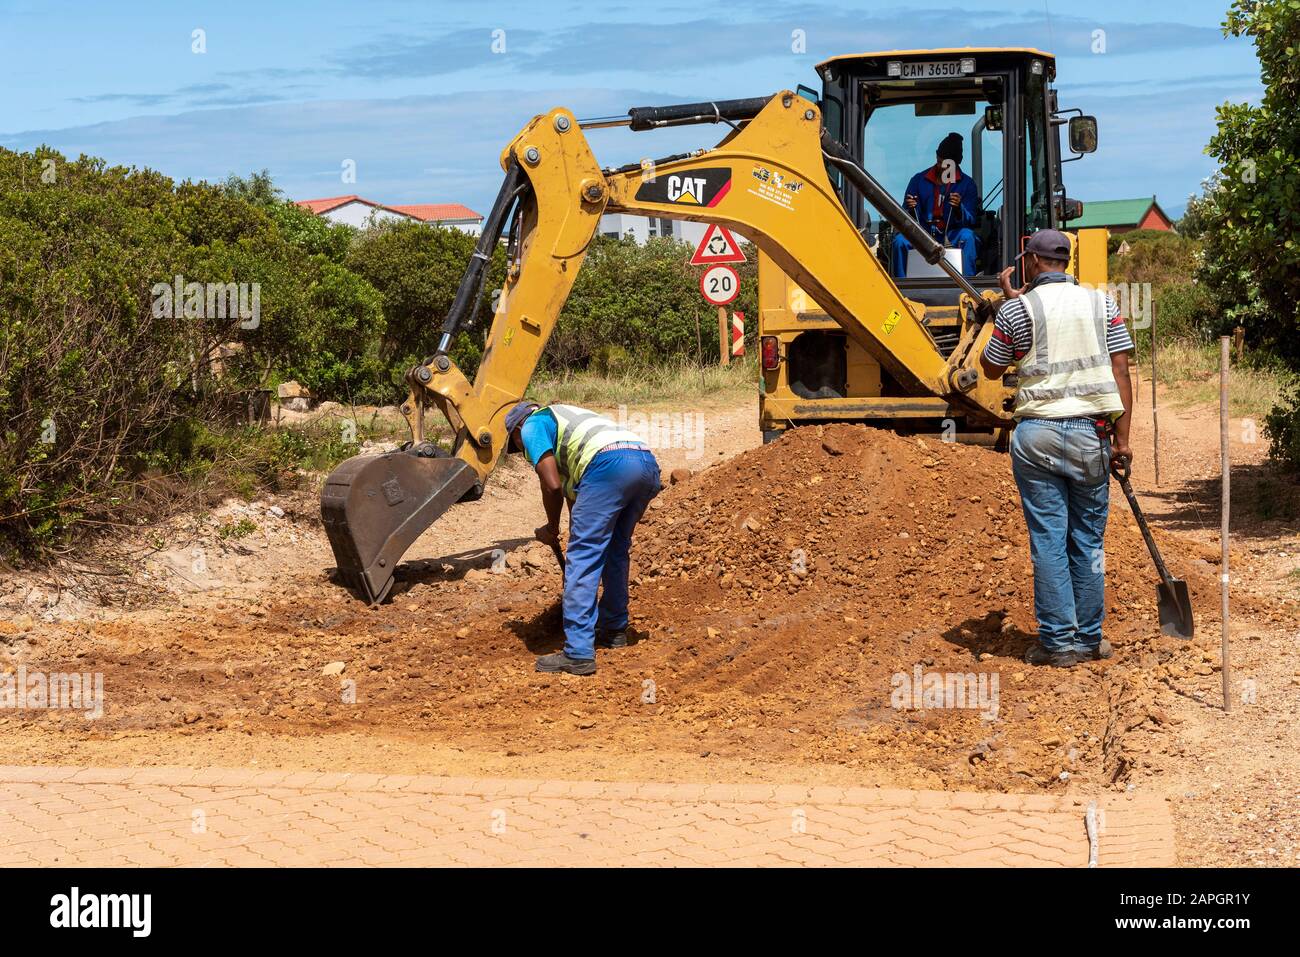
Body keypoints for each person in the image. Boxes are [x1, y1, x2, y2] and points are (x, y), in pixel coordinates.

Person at [979, 229, 1135, 668]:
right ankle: (1089, 639)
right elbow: (1121, 372)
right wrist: (1122, 440)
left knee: (1048, 540)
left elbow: (990, 369)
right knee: (1087, 540)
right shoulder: (1102, 304)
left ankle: (1058, 644)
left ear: (1030, 261)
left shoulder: (1018, 309)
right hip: (1092, 434)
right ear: (1066, 263)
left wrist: (1007, 307)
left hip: (1038, 434)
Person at [504, 400, 661, 676]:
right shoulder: (570, 423)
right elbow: (578, 504)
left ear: (517, 430)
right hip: (644, 463)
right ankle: (613, 629)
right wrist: (558, 530)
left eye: (518, 447)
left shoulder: (532, 424)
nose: (524, 452)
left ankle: (577, 652)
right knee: (614, 549)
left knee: (582, 555)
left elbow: (551, 485)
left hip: (609, 466)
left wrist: (552, 527)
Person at [892, 132, 980, 277]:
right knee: (900, 241)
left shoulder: (967, 184)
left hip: (952, 234)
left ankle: (969, 286)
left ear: (957, 163)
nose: (941, 167)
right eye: (939, 161)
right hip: (923, 232)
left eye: (946, 164)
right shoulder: (918, 180)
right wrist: (910, 207)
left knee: (968, 237)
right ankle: (901, 289)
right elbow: (904, 216)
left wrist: (959, 209)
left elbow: (971, 220)